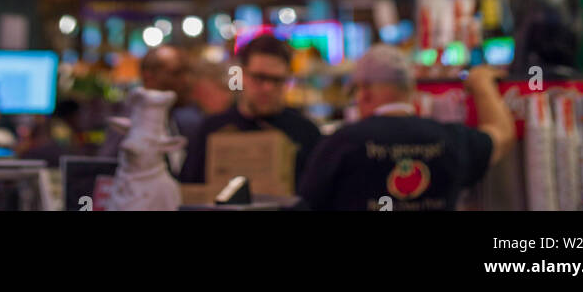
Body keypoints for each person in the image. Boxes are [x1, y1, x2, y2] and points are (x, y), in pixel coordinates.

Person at [298, 47, 516, 212]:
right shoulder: (452, 139)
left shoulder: (340, 144)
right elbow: (503, 135)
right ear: (411, 89)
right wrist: (482, 84)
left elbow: (306, 203)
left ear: (364, 92)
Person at [180, 33, 320, 188]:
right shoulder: (211, 130)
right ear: (242, 75)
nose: (268, 88)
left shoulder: (306, 133)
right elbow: (190, 190)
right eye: (259, 78)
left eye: (277, 80)